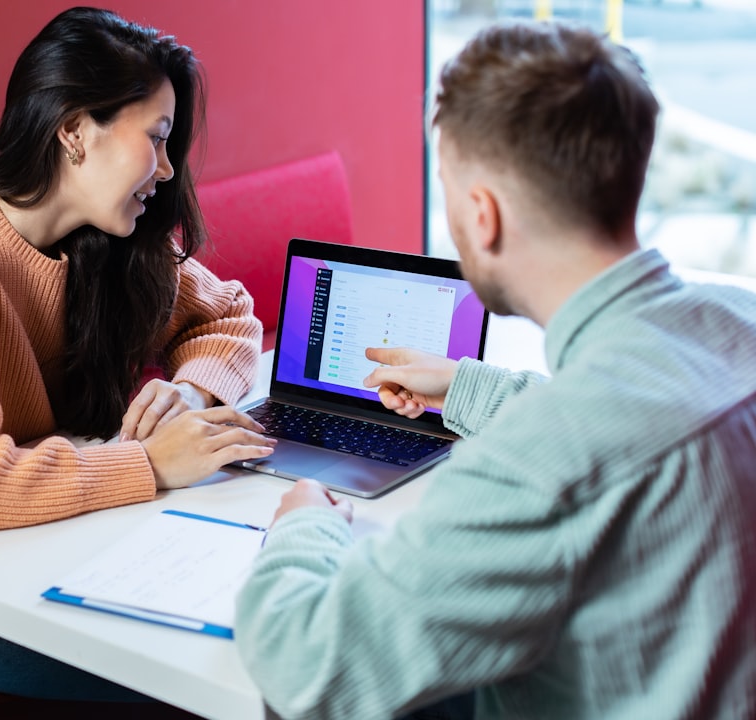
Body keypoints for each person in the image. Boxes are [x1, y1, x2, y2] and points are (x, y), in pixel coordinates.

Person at [235, 19, 756, 720]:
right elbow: (626, 414)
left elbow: (308, 668)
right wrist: (465, 385)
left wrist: (303, 526)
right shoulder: (736, 320)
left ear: (482, 215)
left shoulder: (538, 464)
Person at [0, 6, 276, 701]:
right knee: (208, 676)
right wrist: (149, 462)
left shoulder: (117, 240)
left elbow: (230, 317)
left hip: (45, 535)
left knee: (264, 627)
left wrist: (192, 392)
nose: (165, 168)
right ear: (73, 131)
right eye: (155, 138)